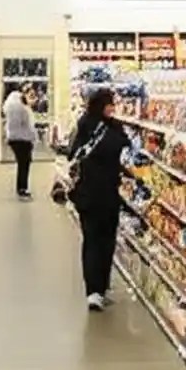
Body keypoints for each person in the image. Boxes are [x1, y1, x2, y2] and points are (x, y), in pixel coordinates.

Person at [68, 88, 134, 312]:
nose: (113, 107)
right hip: (97, 193)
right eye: (110, 103)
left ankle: (99, 289)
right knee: (96, 241)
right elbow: (121, 146)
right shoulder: (100, 127)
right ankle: (94, 291)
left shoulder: (90, 125)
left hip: (99, 194)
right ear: (101, 104)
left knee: (103, 242)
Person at [2, 83, 36, 199]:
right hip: (21, 139)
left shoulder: (11, 104)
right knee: (24, 164)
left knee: (23, 163)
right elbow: (24, 123)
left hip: (15, 138)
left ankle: (21, 188)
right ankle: (22, 189)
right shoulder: (19, 106)